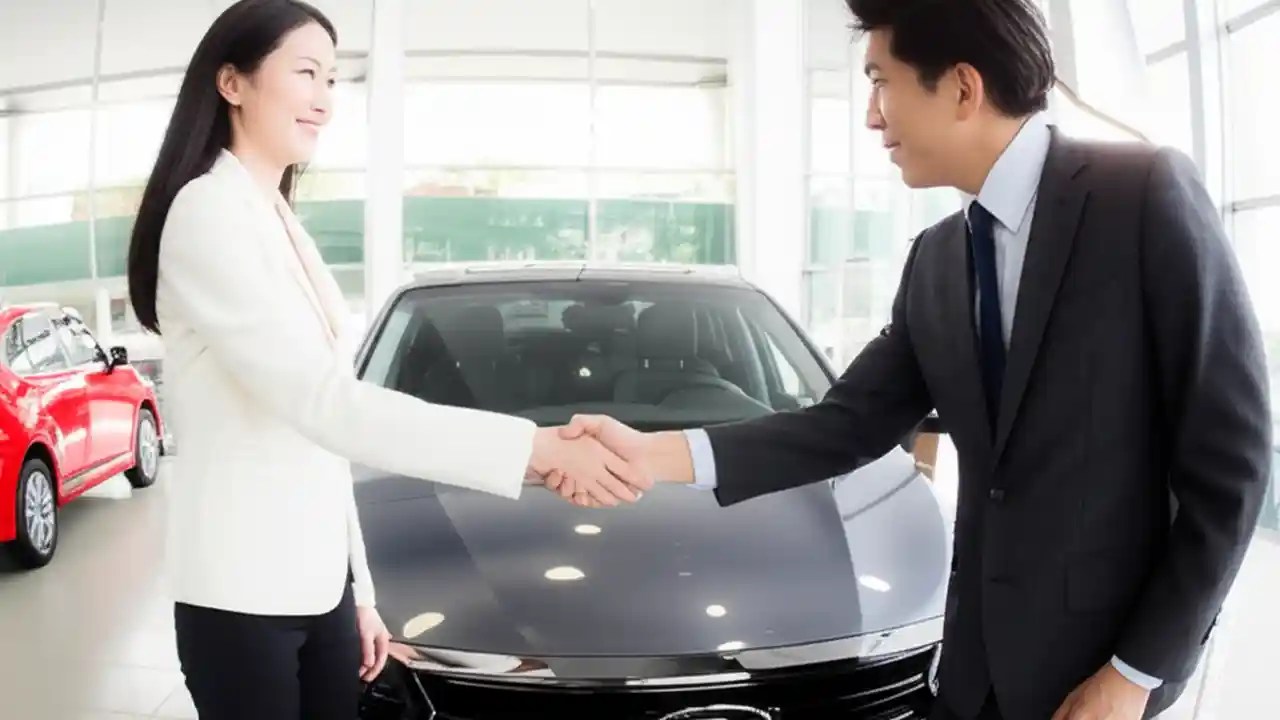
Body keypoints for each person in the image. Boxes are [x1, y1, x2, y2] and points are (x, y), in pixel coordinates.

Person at [555, 1, 1272, 719]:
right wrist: (651, 456)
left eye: (881, 81)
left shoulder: (1142, 197)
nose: (872, 116)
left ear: (962, 88)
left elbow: (1231, 468)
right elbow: (844, 425)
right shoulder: (935, 262)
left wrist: (1132, 675)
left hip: (1101, 684)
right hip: (966, 679)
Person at [124, 1, 647, 718]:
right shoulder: (207, 212)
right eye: (306, 73)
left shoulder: (274, 215)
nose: (324, 100)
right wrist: (535, 447)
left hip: (320, 589)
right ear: (232, 82)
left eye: (334, 80)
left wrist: (358, 594)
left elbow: (323, 438)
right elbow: (327, 405)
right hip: (241, 594)